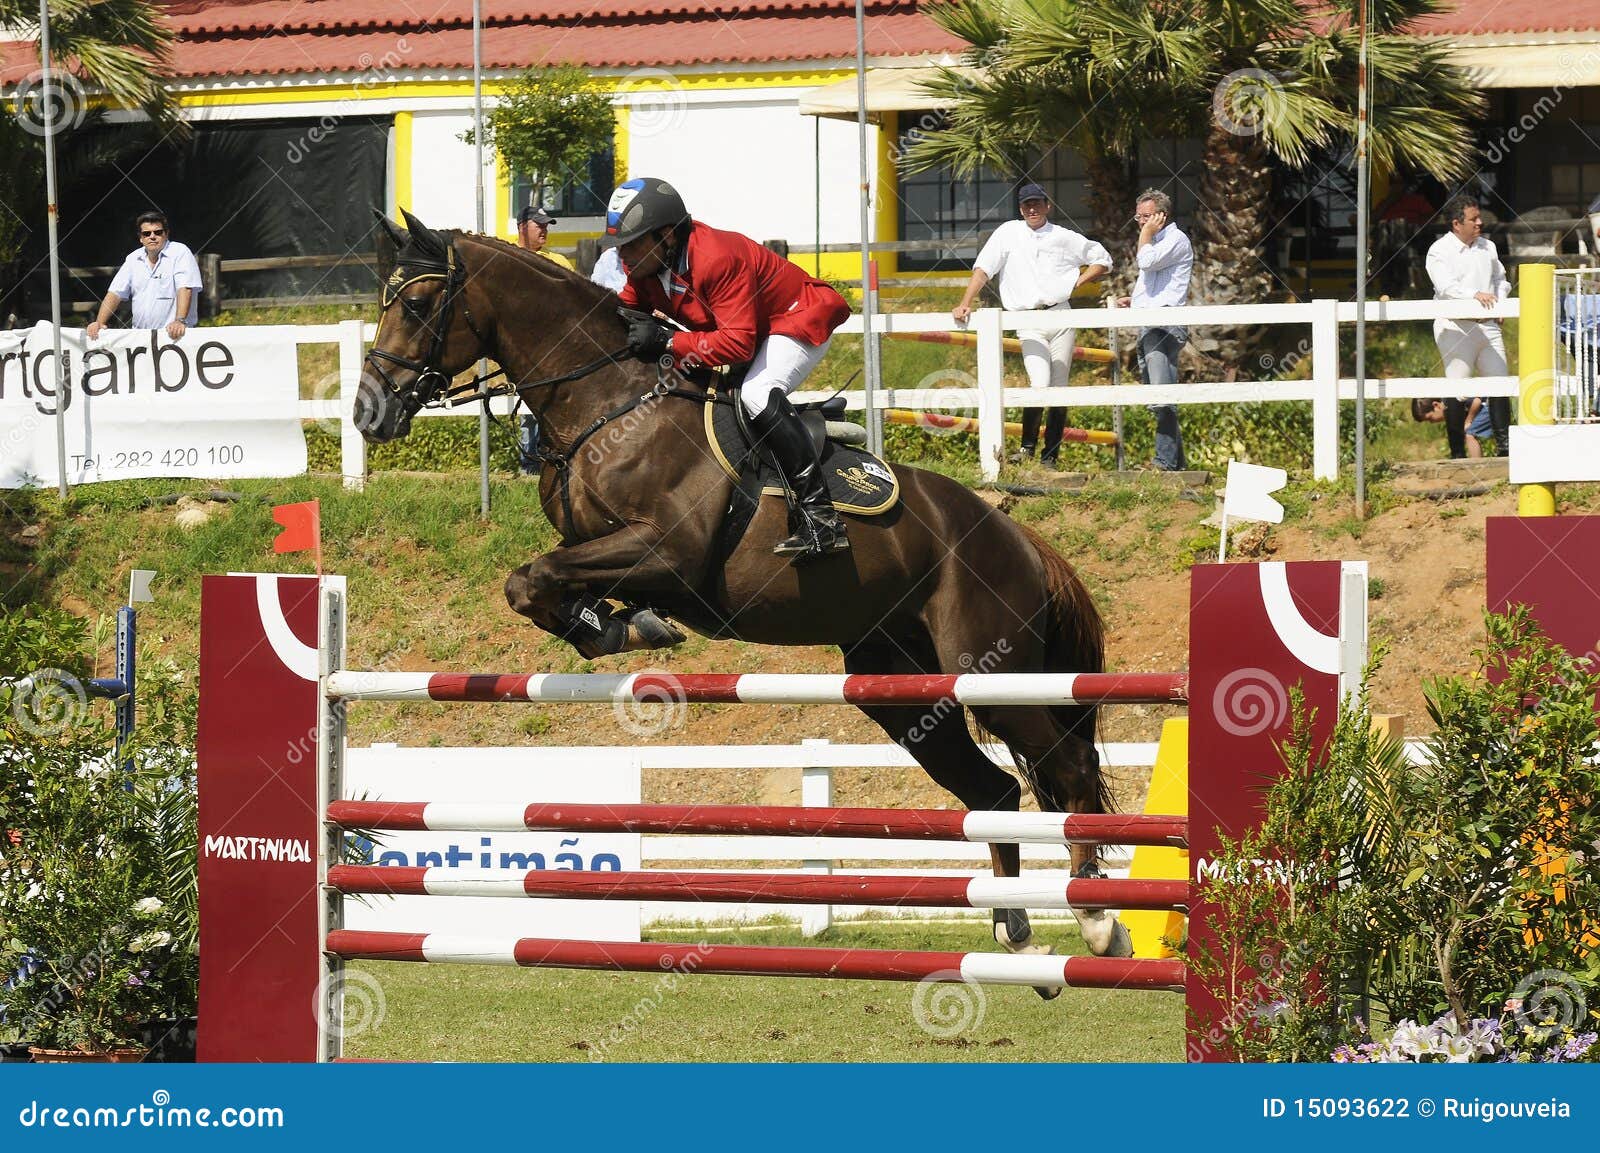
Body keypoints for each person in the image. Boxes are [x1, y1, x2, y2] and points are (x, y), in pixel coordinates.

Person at [606, 177, 852, 560]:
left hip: (795, 319)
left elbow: (737, 344)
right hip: (748, 332)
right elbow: (626, 315)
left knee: (756, 394)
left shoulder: (717, 256)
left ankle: (821, 519)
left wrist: (669, 342)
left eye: (633, 243)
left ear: (667, 236)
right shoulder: (648, 269)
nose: (625, 255)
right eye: (621, 245)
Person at [952, 182, 1110, 467]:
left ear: (1048, 205)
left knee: (1059, 388)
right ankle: (1027, 449)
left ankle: (1050, 456)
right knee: (1039, 382)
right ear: (1021, 208)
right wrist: (965, 302)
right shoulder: (1007, 233)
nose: (1032, 209)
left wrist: (1077, 283)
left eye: (1037, 203)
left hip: (1060, 315)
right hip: (1028, 319)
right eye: (1027, 204)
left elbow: (1102, 259)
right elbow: (983, 268)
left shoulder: (1063, 236)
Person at [1113, 188, 1192, 471]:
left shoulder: (1175, 239)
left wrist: (1145, 234)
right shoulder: (1157, 241)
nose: (1140, 222)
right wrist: (1134, 300)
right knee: (1157, 392)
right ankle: (1176, 463)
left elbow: (1147, 261)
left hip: (1164, 326)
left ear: (1162, 215)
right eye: (1138, 217)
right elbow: (1159, 283)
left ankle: (1165, 462)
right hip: (1149, 323)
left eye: (1146, 217)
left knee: (1160, 395)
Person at [1426, 197, 1511, 455]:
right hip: (1456, 327)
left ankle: (1504, 449)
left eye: (1479, 217)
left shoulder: (1488, 246)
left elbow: (1500, 279)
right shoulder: (1439, 250)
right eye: (1473, 219)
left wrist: (1501, 303)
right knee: (1458, 388)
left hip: (1488, 326)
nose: (1479, 222)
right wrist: (1475, 294)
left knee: (1500, 383)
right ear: (1456, 224)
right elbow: (1446, 287)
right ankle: (1457, 452)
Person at [86, 211, 202, 341]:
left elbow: (185, 288)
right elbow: (115, 293)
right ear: (140, 238)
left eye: (158, 232)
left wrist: (180, 320)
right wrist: (99, 322)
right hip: (141, 339)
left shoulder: (180, 252)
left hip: (175, 336)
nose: (152, 236)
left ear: (166, 234)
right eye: (147, 233)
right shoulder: (133, 259)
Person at [516, 205, 573, 269]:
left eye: (545, 226)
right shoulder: (509, 256)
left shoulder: (560, 262)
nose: (545, 230)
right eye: (540, 226)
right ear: (522, 228)